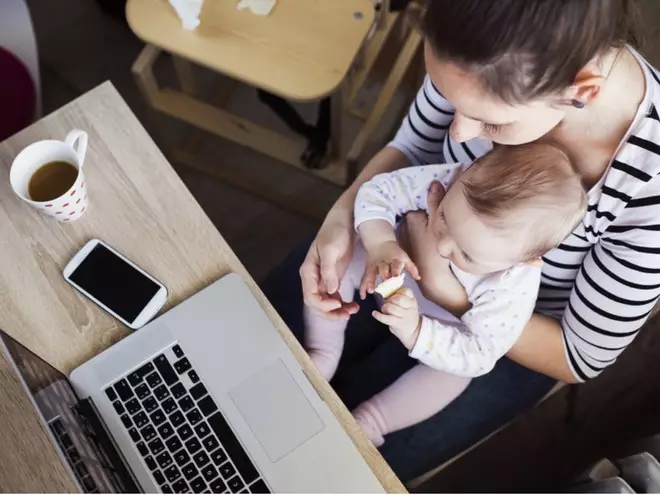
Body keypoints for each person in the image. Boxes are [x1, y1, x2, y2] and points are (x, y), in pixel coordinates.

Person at [262, 0, 660, 482]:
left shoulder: (650, 185)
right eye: (454, 103)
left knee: (330, 469)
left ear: (580, 90)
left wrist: (443, 289)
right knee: (257, 355)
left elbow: (580, 355)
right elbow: (413, 147)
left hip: (508, 333)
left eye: (491, 122)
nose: (462, 132)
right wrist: (341, 218)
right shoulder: (481, 41)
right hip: (397, 236)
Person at [304, 144, 587, 446]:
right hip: (388, 268)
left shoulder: (514, 284)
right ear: (468, 171)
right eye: (444, 219)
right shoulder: (451, 179)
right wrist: (381, 243)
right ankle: (322, 351)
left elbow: (479, 352)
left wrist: (417, 330)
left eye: (466, 254)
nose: (442, 247)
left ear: (525, 260)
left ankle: (373, 421)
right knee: (341, 261)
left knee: (455, 375)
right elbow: (378, 191)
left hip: (444, 325)